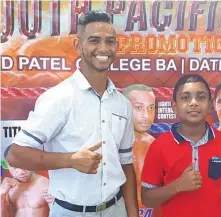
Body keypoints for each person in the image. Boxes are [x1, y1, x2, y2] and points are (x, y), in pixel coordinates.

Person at [6, 11, 138, 217]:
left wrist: (132, 213)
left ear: (116, 47)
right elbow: (15, 155)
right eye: (94, 40)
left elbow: (126, 163)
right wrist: (70, 160)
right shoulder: (58, 98)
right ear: (78, 46)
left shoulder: (122, 104)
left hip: (116, 209)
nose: (103, 48)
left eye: (110, 41)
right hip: (71, 212)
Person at [141, 74, 221, 217]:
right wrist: (178, 186)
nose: (194, 103)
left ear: (210, 104)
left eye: (201, 97)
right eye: (185, 97)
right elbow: (147, 198)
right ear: (174, 106)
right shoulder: (159, 146)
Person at [122, 84, 161, 217]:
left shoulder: (157, 146)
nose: (146, 115)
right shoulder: (108, 146)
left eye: (151, 108)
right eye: (139, 108)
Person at [1, 145, 54, 217]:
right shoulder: (6, 188)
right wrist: (1, 196)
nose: (21, 172)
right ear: (7, 166)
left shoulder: (46, 184)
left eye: (25, 166)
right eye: (15, 168)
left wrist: (54, 203)